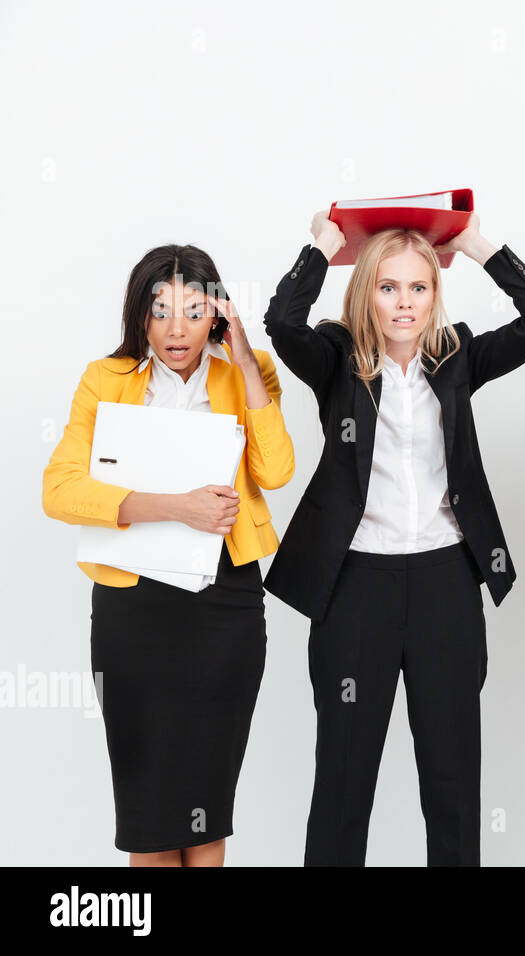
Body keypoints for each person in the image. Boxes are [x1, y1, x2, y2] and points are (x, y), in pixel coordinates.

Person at [263, 211, 525, 866]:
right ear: (366, 292)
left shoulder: (456, 358)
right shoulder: (336, 360)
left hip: (444, 584)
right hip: (355, 588)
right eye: (389, 287)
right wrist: (323, 245)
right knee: (343, 780)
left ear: (436, 295)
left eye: (419, 288)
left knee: (453, 782)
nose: (405, 302)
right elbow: (281, 322)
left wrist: (477, 244)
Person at [42, 245, 294, 866]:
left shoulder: (248, 370)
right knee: (151, 821)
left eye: (193, 310)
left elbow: (277, 470)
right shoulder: (106, 381)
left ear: (218, 315)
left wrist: (243, 359)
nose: (176, 328)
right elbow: (61, 490)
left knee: (205, 820)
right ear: (140, 317)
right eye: (160, 311)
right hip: (135, 611)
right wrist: (176, 506)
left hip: (225, 606)